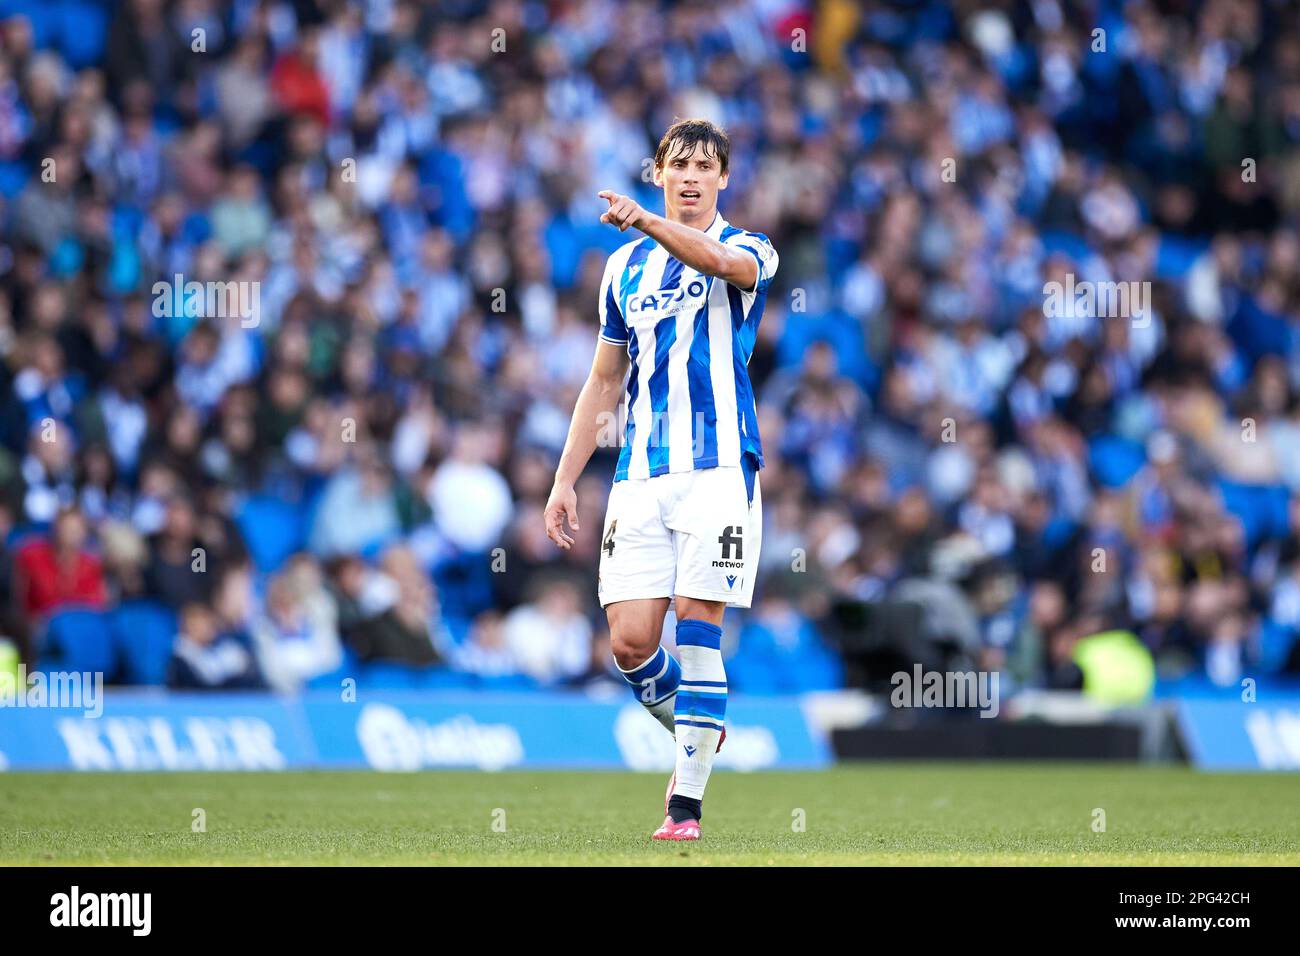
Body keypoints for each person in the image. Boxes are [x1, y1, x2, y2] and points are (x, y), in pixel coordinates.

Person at [543, 118, 778, 841]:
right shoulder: (624, 271)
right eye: (678, 164)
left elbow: (720, 264)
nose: (691, 175)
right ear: (659, 172)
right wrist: (563, 480)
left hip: (718, 468)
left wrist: (646, 221)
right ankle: (697, 731)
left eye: (705, 166)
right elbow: (603, 382)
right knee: (630, 642)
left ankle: (686, 806)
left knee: (697, 620)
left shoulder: (750, 248)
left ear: (723, 179)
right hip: (642, 469)